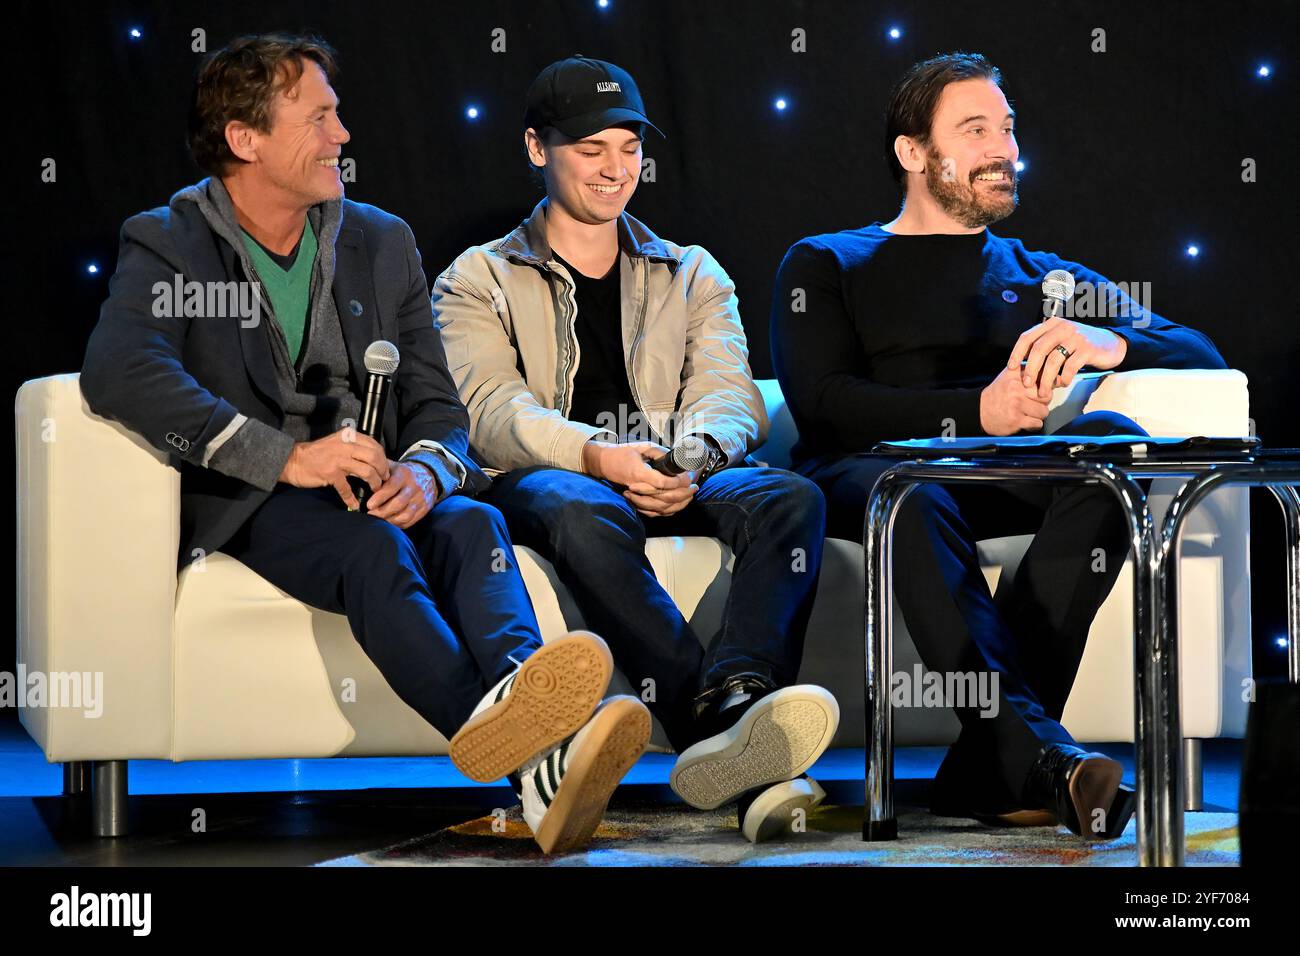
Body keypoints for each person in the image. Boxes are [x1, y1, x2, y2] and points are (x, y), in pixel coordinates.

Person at [78, 33, 650, 855]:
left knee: (471, 527)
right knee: (375, 552)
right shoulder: (169, 239)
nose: (342, 136)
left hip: (379, 484)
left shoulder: (381, 241)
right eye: (318, 118)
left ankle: (534, 733)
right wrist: (283, 457)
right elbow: (120, 370)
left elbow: (437, 403)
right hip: (264, 500)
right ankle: (538, 755)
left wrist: (426, 469)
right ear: (246, 139)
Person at [771, 52, 1227, 840]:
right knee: (913, 492)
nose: (1003, 149)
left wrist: (1106, 340)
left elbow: (1198, 350)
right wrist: (975, 410)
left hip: (994, 474)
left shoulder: (1040, 272)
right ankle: (1045, 762)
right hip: (867, 475)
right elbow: (822, 406)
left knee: (1109, 448)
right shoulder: (826, 262)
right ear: (912, 153)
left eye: (1008, 130)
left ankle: (991, 765)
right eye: (975, 129)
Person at [433, 56, 839, 843]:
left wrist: (691, 459)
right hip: (555, 476)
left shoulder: (691, 270)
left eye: (627, 147)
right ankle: (715, 730)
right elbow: (491, 413)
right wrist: (595, 454)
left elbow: (732, 391)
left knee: (792, 496)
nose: (616, 169)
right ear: (535, 148)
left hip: (669, 468)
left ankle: (739, 688)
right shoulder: (476, 277)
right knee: (581, 509)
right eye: (591, 150)